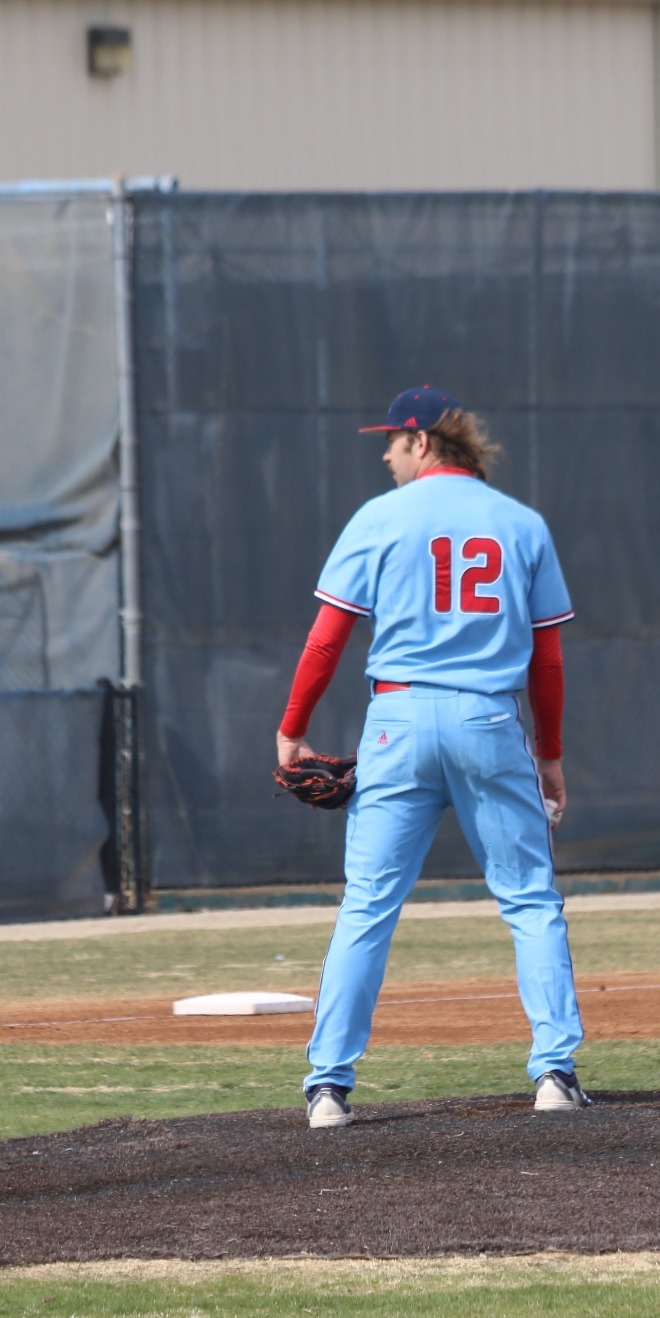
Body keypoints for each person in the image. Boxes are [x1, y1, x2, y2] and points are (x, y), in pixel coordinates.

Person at [276, 386, 590, 1130]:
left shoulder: (380, 518)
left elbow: (327, 639)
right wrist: (549, 753)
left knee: (367, 907)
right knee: (530, 900)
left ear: (424, 441)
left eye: (391, 439)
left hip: (399, 720)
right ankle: (554, 1073)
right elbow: (546, 662)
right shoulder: (521, 523)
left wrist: (292, 729)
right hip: (488, 718)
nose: (385, 453)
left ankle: (328, 1089)